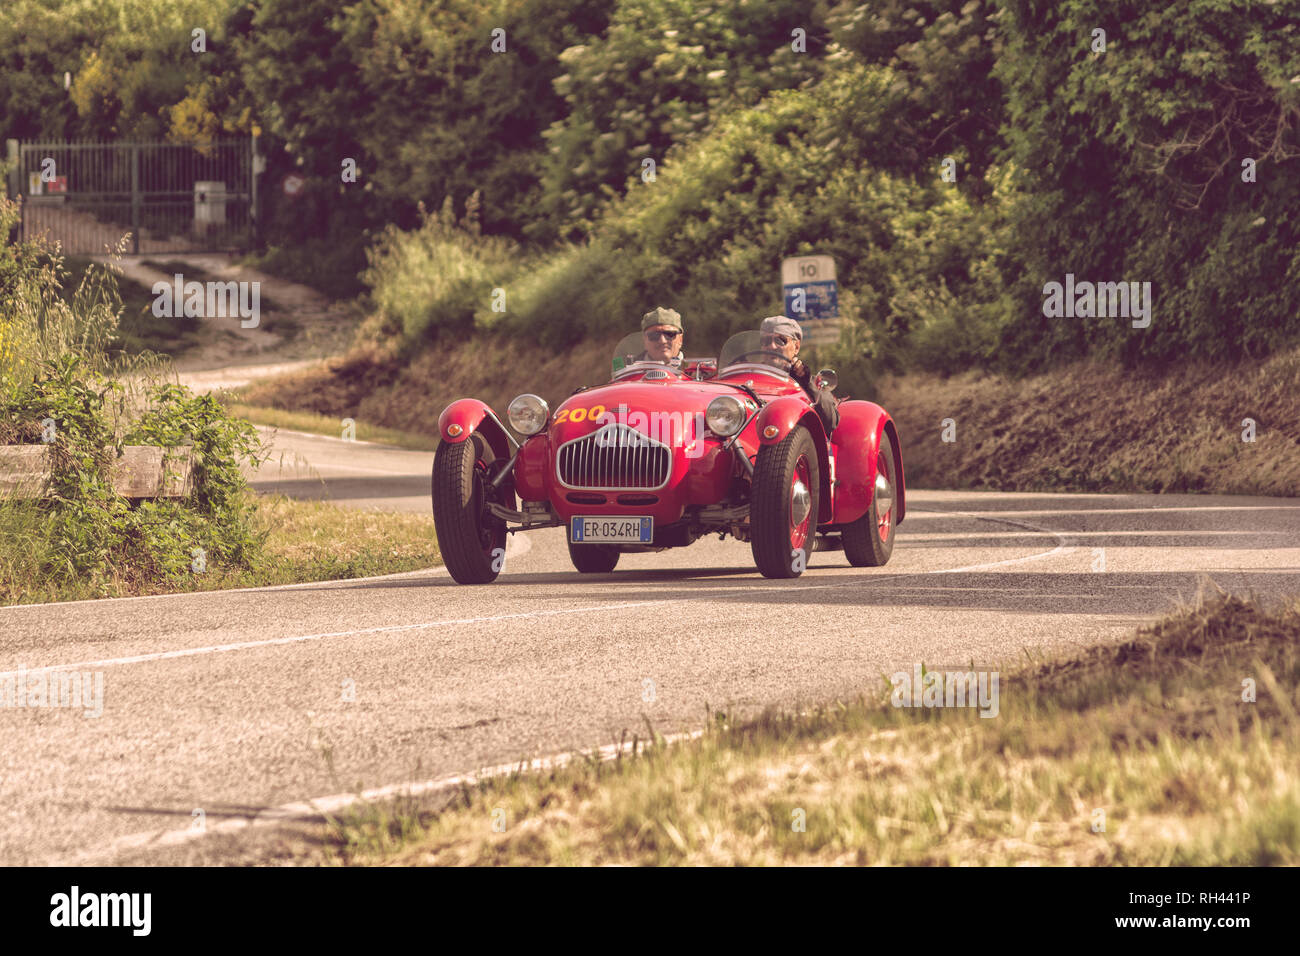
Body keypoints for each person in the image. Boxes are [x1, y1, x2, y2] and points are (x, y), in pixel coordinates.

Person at [759, 315, 840, 434]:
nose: (772, 346)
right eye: (766, 341)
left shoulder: (812, 383)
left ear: (796, 347)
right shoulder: (748, 379)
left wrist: (806, 384)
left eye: (780, 340)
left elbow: (830, 421)